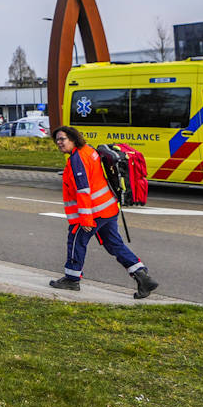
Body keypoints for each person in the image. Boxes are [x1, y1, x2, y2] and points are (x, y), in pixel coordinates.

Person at [49, 126, 158, 299]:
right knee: (114, 244)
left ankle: (71, 279)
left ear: (73, 139)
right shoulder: (88, 150)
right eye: (57, 139)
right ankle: (143, 277)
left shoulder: (78, 159)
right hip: (108, 208)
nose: (59, 142)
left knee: (76, 241)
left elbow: (83, 190)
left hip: (94, 212)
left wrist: (85, 220)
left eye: (62, 139)